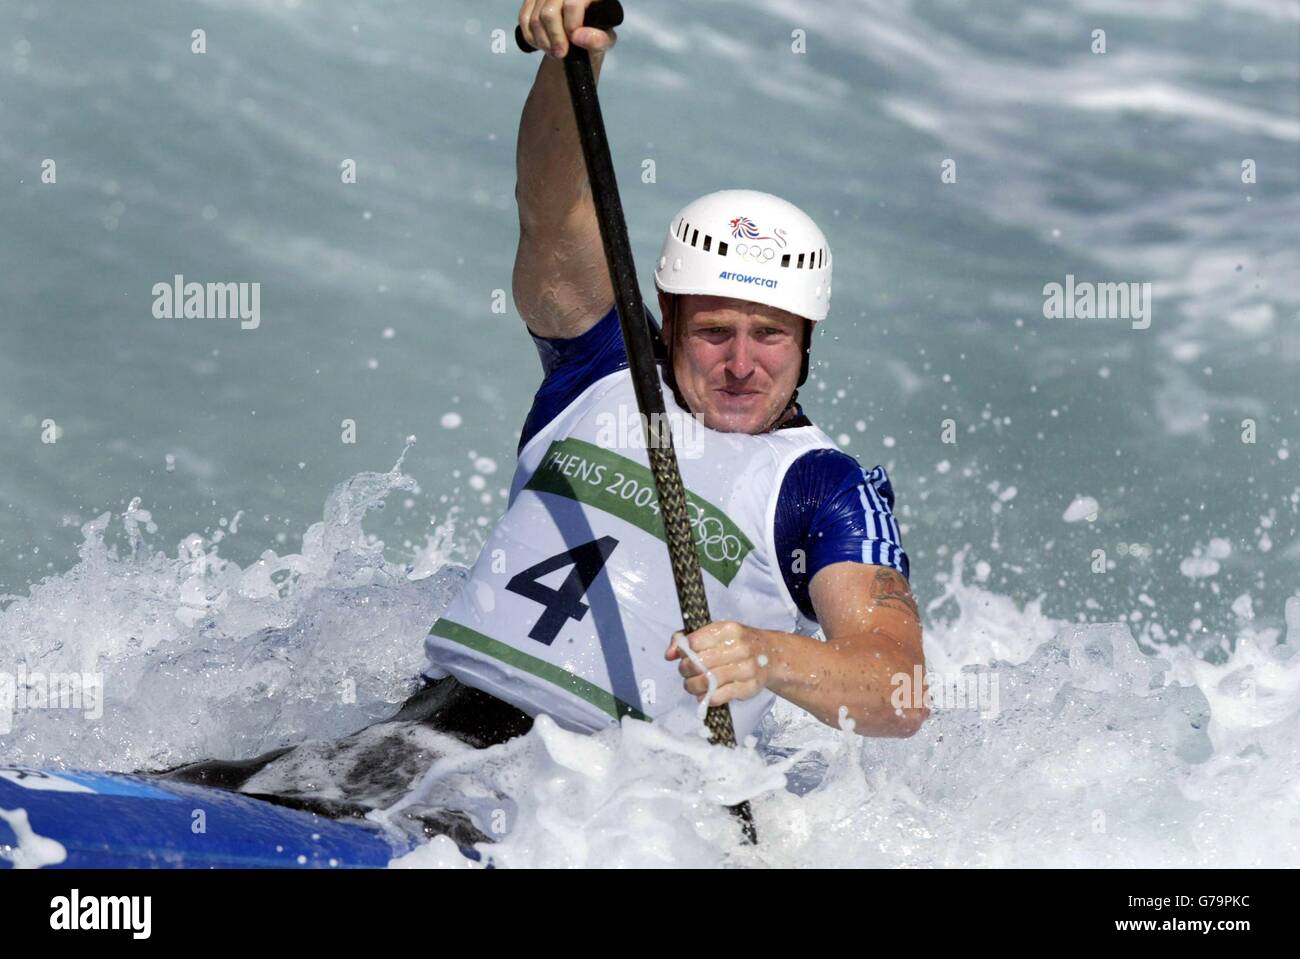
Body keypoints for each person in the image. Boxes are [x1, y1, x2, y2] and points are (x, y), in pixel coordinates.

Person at [159, 2, 926, 827]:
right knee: (191, 792)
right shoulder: (601, 370)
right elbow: (553, 211)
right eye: (713, 331)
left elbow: (896, 684)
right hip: (425, 732)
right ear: (666, 322)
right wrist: (577, 58)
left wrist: (770, 655)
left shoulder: (820, 487)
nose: (742, 363)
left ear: (808, 339)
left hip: (586, 807)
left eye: (769, 336)